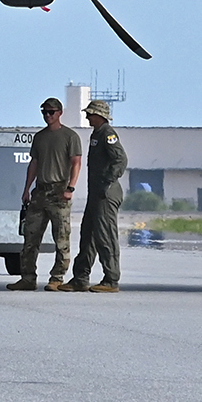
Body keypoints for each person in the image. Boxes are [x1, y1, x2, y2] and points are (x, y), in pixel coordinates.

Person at [11, 95, 81, 292]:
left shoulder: (70, 137)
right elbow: (33, 164)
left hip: (59, 191)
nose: (48, 116)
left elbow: (76, 163)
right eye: (45, 112)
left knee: (61, 238)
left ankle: (57, 278)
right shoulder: (40, 137)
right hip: (40, 192)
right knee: (30, 237)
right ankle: (27, 277)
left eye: (51, 112)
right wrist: (27, 189)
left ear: (59, 113)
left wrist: (70, 188)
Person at [66, 99, 127, 293]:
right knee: (88, 236)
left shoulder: (108, 134)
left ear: (99, 115)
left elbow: (120, 159)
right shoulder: (97, 134)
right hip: (96, 194)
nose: (87, 116)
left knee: (105, 236)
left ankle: (111, 279)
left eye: (90, 113)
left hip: (105, 194)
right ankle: (80, 278)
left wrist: (107, 182)